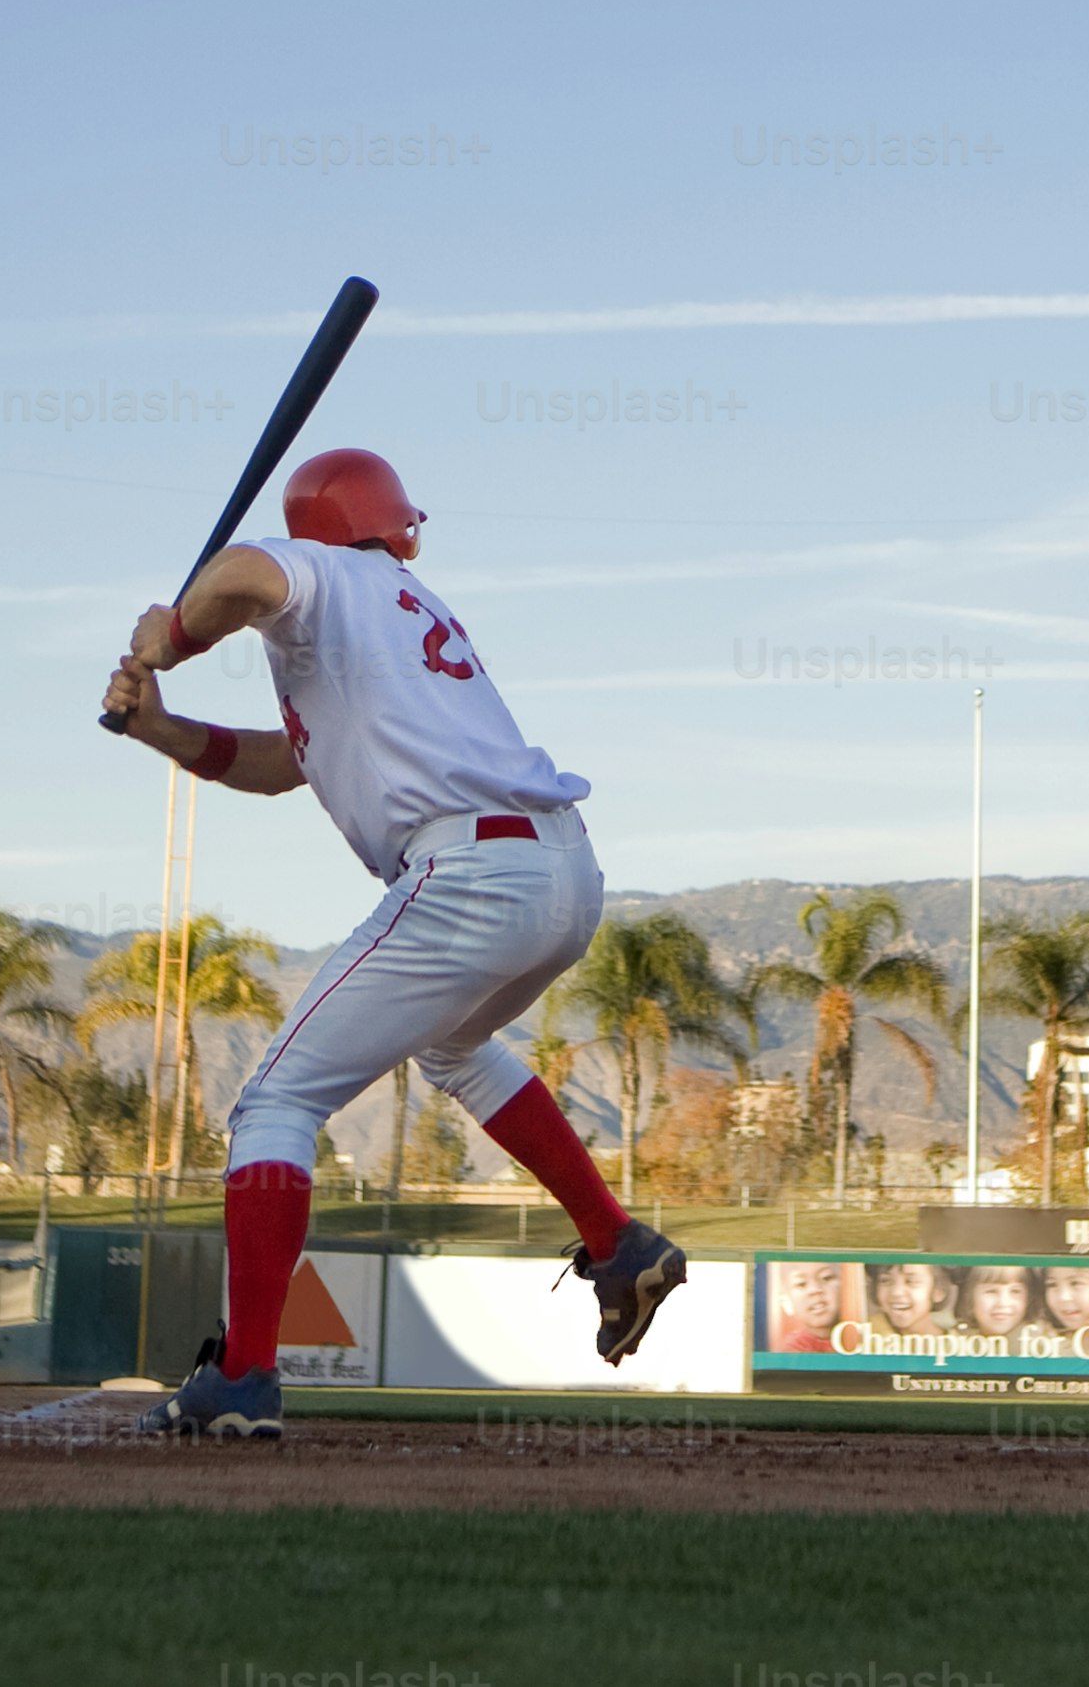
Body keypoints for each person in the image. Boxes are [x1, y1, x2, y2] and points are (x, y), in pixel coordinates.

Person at [101, 444, 686, 1437]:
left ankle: (242, 1377)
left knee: (277, 1099)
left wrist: (178, 633)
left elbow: (241, 573)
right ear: (395, 520)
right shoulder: (390, 625)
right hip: (560, 870)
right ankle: (616, 1241)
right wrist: (161, 724)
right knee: (453, 1043)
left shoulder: (333, 574)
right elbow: (283, 764)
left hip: (466, 871)